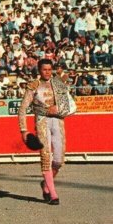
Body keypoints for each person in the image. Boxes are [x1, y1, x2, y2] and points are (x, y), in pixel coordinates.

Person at [18, 58, 69, 205]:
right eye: (44, 70)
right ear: (39, 70)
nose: (47, 72)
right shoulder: (33, 86)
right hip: (41, 121)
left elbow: (67, 104)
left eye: (49, 69)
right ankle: (53, 194)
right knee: (46, 156)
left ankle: (46, 184)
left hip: (58, 121)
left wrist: (59, 109)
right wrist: (23, 130)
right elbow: (22, 109)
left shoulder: (58, 84)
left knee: (59, 160)